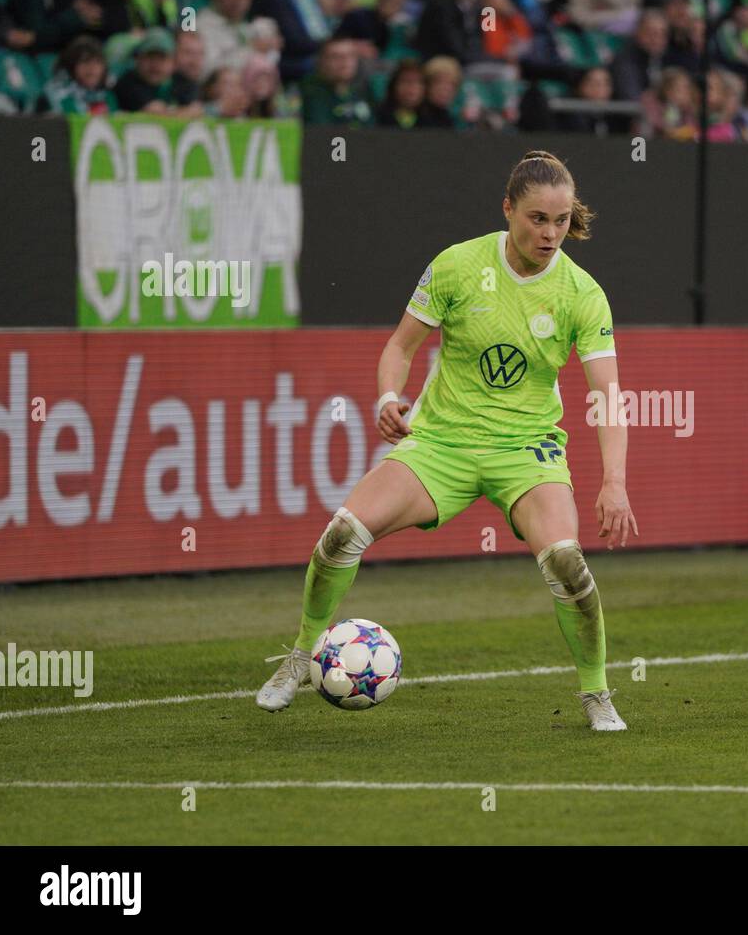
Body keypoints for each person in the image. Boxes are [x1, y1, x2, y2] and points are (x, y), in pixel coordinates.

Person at [257, 151, 638, 732]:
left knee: (568, 565)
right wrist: (389, 398)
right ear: (508, 209)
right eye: (538, 218)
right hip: (442, 445)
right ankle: (300, 657)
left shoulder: (582, 293)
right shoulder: (458, 266)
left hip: (526, 451)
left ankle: (596, 694)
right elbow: (399, 348)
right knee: (341, 536)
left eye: (561, 221)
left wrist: (614, 483)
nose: (551, 233)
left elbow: (609, 395)